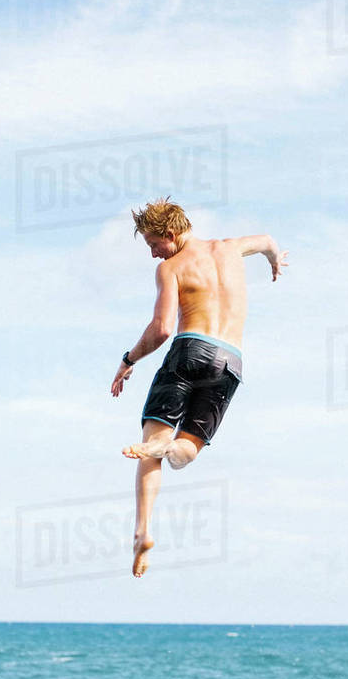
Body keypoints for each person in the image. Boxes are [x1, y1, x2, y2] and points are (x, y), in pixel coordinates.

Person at [110, 197, 288, 578]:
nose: (153, 254)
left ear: (171, 234)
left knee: (149, 452)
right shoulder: (232, 248)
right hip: (231, 364)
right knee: (187, 451)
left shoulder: (172, 268)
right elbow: (270, 240)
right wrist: (274, 260)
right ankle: (173, 448)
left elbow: (161, 330)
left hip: (190, 350)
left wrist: (128, 361)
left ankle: (142, 531)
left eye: (153, 244)